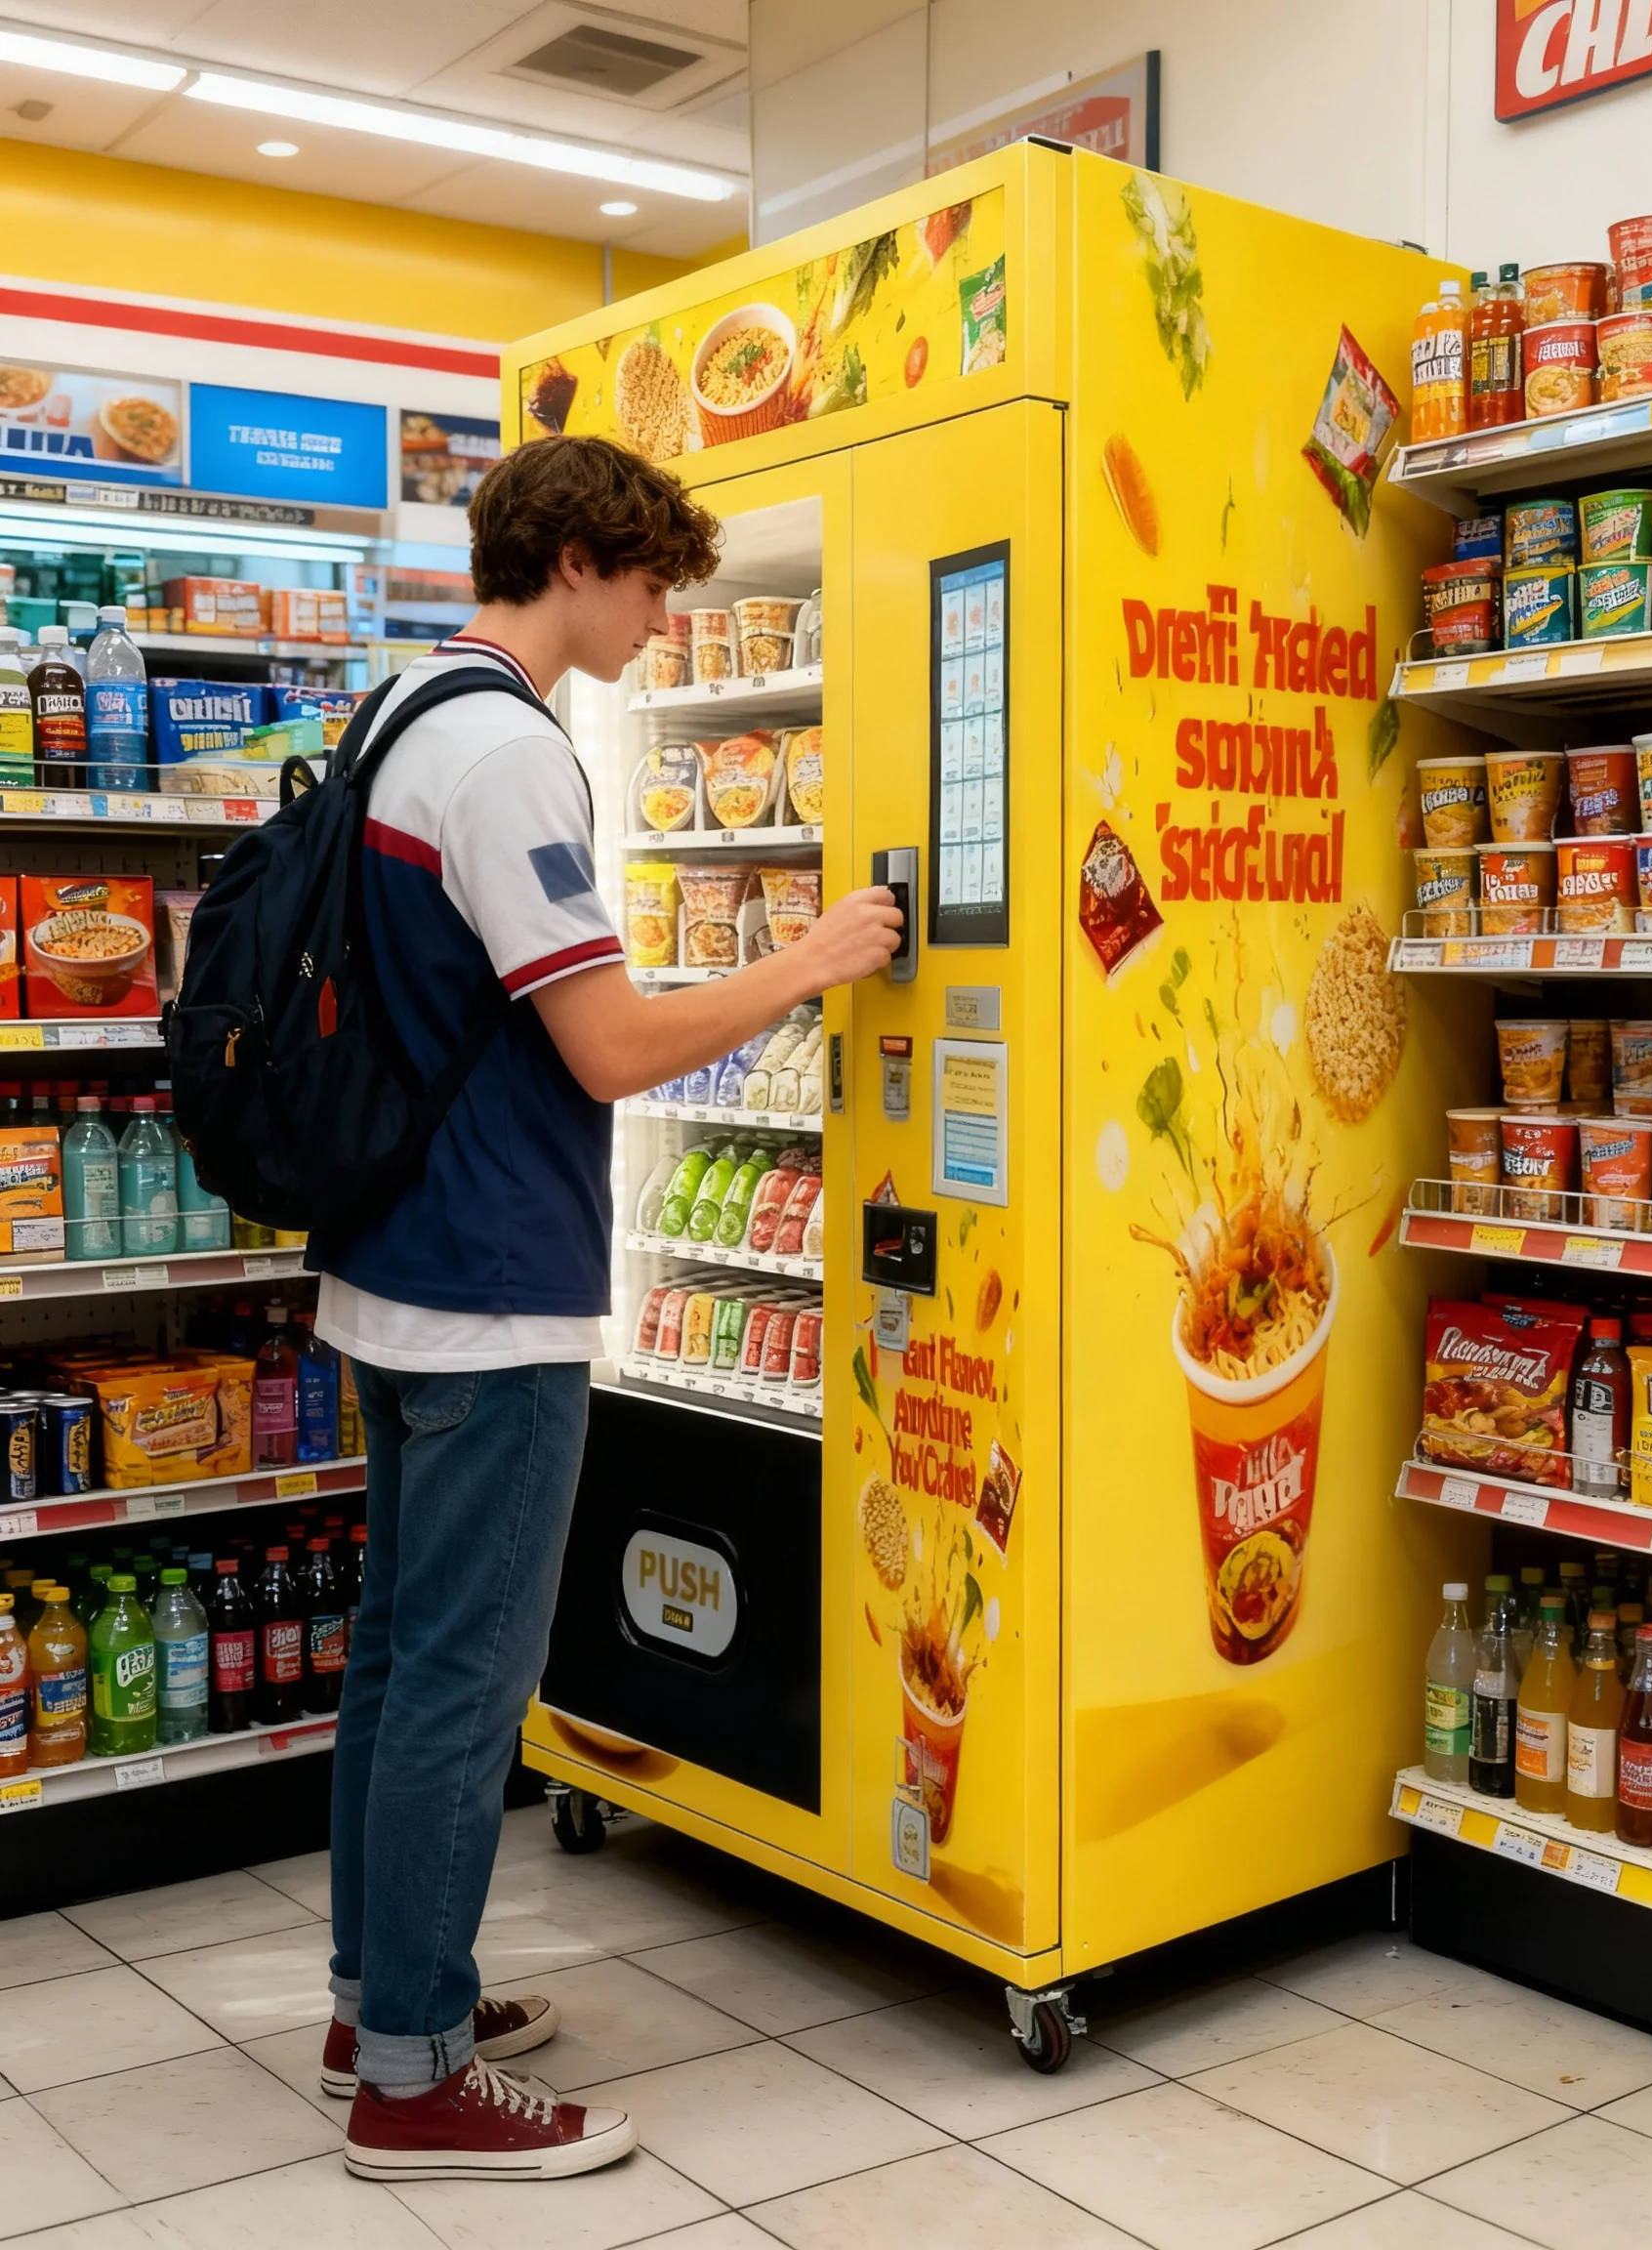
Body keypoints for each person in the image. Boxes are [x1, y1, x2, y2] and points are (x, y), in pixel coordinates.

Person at [313, 435, 901, 2181]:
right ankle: (415, 2083)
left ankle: (375, 2004)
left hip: (392, 1268)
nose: (662, 623)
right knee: (463, 1684)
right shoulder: (508, 751)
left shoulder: (400, 708)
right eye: (650, 585)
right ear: (574, 562)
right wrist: (810, 959)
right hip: (491, 1292)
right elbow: (611, 1046)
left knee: (398, 1660)